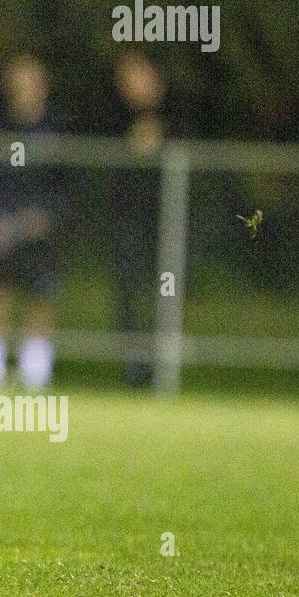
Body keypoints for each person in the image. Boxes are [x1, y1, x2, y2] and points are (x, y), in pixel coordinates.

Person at [0, 55, 60, 389]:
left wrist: (48, 216)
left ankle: (35, 369)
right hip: (1, 225)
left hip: (41, 228)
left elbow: (66, 182)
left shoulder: (55, 128)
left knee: (40, 293)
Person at [107, 51, 166, 387]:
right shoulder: (114, 118)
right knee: (130, 298)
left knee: (164, 296)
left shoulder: (174, 116)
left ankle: (162, 370)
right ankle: (136, 373)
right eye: (126, 78)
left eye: (138, 75)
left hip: (164, 227)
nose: (131, 85)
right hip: (130, 225)